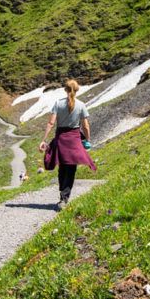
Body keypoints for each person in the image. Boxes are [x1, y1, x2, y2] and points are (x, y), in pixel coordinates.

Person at [39, 79, 96, 210]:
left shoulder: (58, 104)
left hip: (61, 139)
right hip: (74, 139)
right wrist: (87, 139)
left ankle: (62, 195)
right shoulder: (81, 105)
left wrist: (44, 140)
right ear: (76, 90)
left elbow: (51, 123)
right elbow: (85, 125)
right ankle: (64, 198)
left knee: (63, 168)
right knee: (71, 169)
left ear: (65, 90)